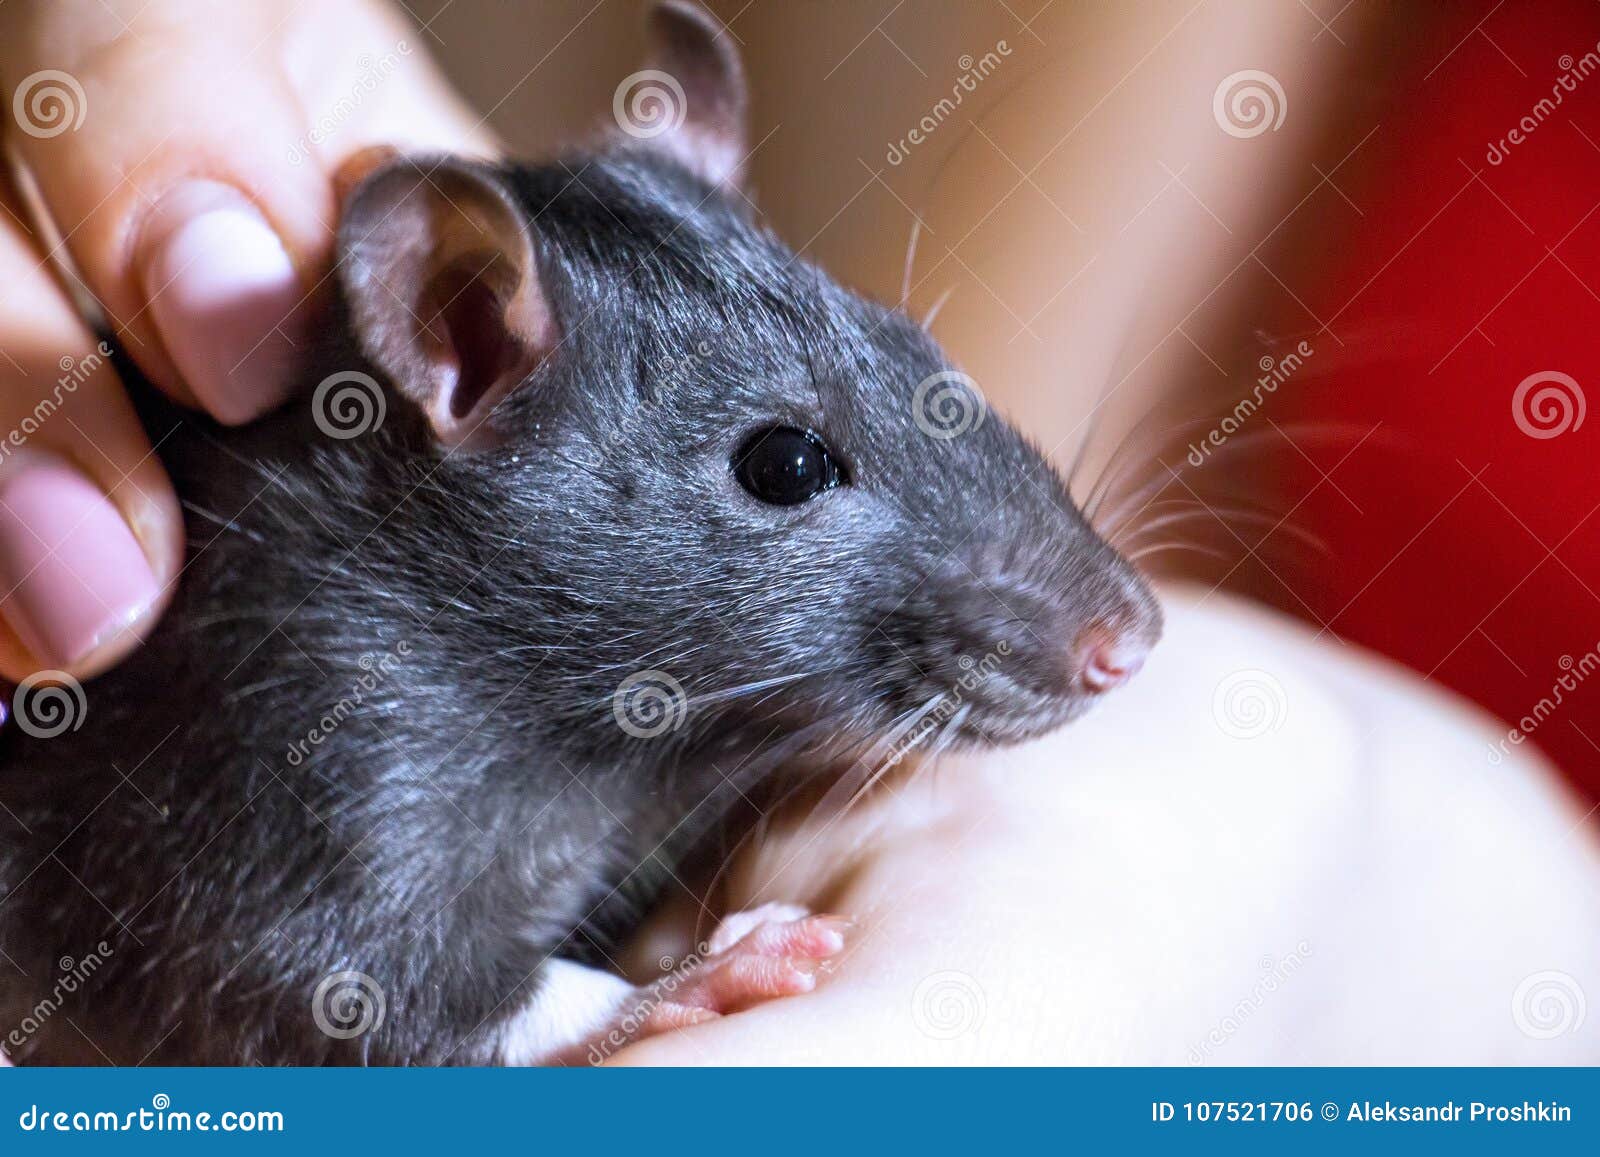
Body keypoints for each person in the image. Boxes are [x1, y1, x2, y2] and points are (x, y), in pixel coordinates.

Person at [0, 0, 1593, 1064]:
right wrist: (603, 1012)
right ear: (461, 347)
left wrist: (1369, 870)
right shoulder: (322, 682)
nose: (1107, 627)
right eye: (781, 465)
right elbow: (315, 993)